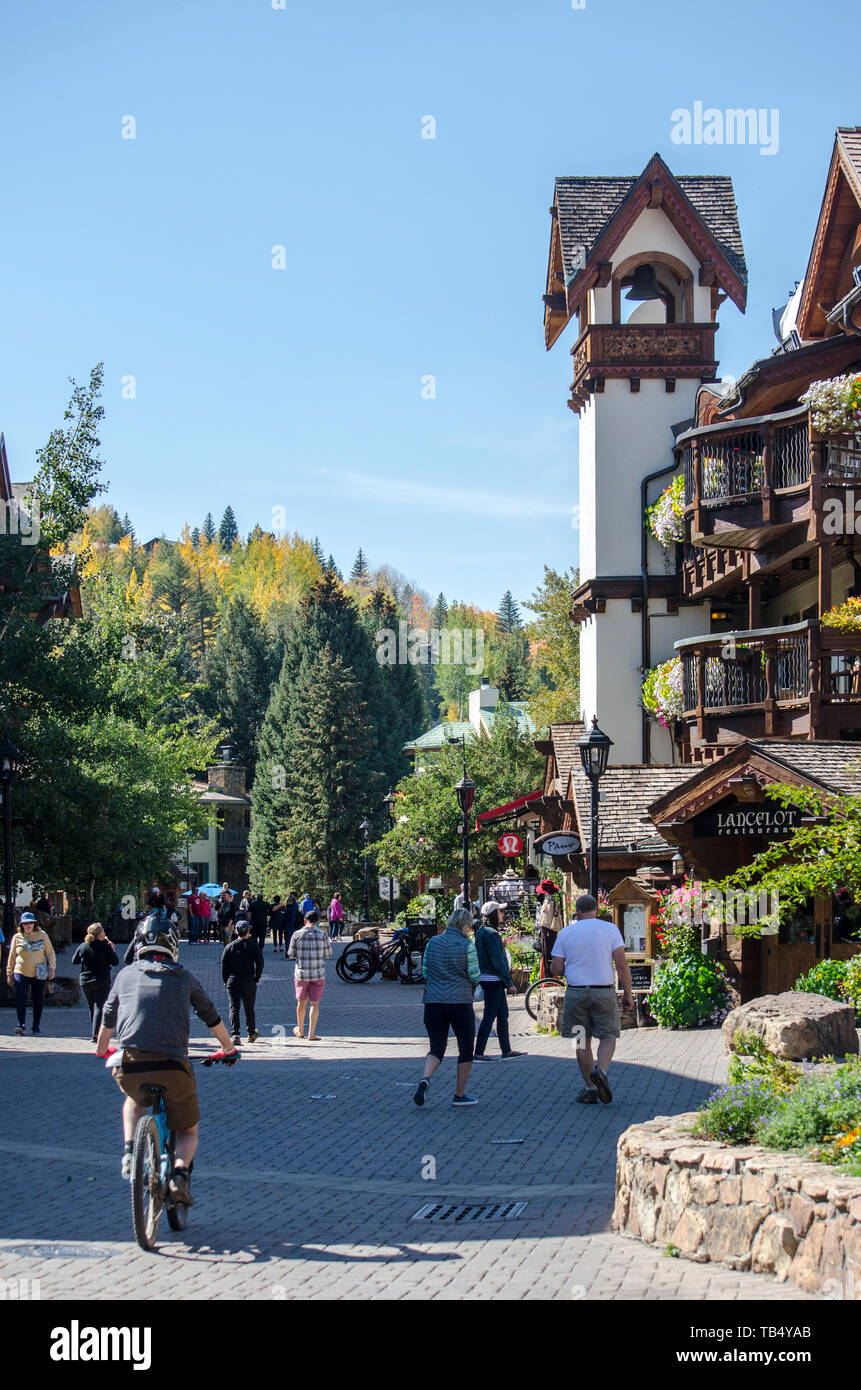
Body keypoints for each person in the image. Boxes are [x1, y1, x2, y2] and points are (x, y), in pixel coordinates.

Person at [97, 915, 238, 1197]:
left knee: (134, 1101)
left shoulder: (125, 975)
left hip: (131, 1063)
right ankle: (179, 1174)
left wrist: (103, 1049)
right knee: (187, 1129)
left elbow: (108, 1019)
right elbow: (211, 1017)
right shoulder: (184, 977)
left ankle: (129, 1152)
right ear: (172, 946)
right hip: (173, 1066)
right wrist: (229, 1049)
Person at [551, 893, 634, 1105]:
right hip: (603, 992)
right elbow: (621, 965)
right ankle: (602, 1071)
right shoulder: (610, 930)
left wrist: (569, 967)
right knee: (608, 1035)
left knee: (580, 1039)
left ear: (577, 913)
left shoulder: (566, 933)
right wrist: (627, 994)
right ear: (596, 910)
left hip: (576, 992)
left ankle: (589, 1088)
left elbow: (557, 969)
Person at [414, 907, 481, 1108]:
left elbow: (425, 971)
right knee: (466, 1047)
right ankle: (459, 1094)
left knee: (436, 1047)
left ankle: (425, 1078)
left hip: (433, 1001)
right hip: (460, 1001)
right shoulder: (467, 945)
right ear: (466, 925)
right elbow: (475, 975)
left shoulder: (433, 942)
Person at [473, 901, 525, 1061]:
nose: (503, 914)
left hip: (486, 977)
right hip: (493, 979)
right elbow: (498, 961)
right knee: (489, 1015)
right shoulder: (491, 934)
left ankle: (506, 1050)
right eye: (500, 911)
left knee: (502, 1014)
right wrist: (509, 983)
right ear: (494, 914)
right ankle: (479, 1052)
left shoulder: (482, 932)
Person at [6, 912, 56, 1036]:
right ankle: (21, 1025)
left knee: (38, 999)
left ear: (34, 923)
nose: (28, 925)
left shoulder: (42, 935)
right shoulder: (17, 937)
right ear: (21, 925)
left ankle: (36, 1025)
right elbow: (12, 956)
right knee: (20, 999)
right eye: (25, 923)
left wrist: (52, 968)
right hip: (21, 971)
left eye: (30, 922)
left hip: (38, 972)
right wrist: (9, 972)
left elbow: (50, 953)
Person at [287, 909, 332, 1041]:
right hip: (318, 973)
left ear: (305, 920)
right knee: (314, 1004)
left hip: (301, 974)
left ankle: (300, 1030)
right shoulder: (323, 935)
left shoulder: (297, 934)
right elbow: (328, 954)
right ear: (317, 922)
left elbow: (290, 953)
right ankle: (311, 1034)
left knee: (301, 1002)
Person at [73, 923, 119, 1041]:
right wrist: (112, 949)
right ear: (99, 934)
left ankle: (95, 1030)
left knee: (91, 1006)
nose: (105, 933)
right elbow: (115, 962)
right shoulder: (105, 946)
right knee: (99, 1006)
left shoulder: (83, 946)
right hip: (101, 980)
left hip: (85, 981)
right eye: (103, 931)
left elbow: (75, 961)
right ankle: (95, 1034)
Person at [221, 921, 264, 1044]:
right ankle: (251, 1033)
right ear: (248, 932)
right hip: (249, 981)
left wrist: (225, 980)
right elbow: (260, 964)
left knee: (234, 1007)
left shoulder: (229, 946)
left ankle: (235, 1035)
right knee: (249, 1007)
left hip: (233, 980)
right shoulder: (253, 946)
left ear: (236, 932)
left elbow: (224, 966)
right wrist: (257, 978)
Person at [535, 880, 562, 976]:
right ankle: (547, 976)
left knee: (548, 954)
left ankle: (549, 977)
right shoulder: (548, 902)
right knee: (545, 954)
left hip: (548, 931)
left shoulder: (551, 903)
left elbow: (549, 920)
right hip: (545, 931)